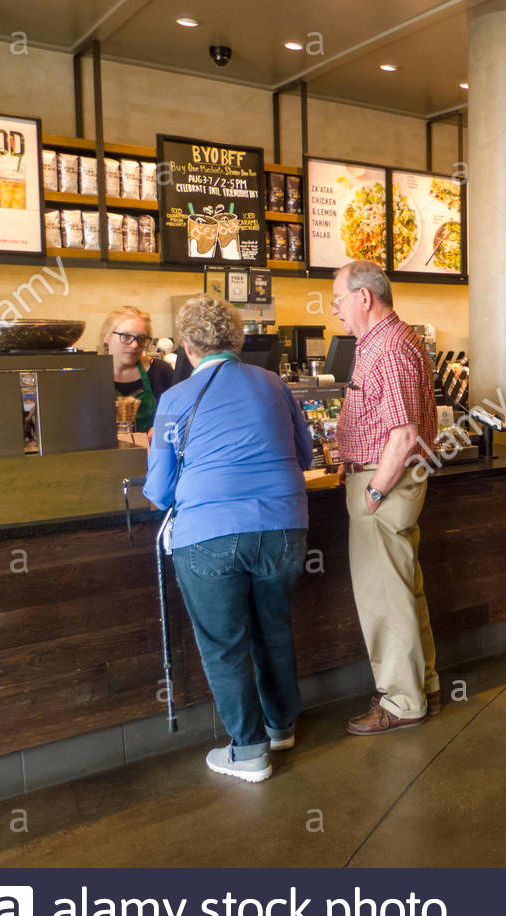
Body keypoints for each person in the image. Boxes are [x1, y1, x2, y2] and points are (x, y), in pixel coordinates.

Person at [144, 296, 313, 783]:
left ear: (187, 346)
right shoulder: (274, 384)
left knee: (224, 643)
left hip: (209, 535)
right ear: (236, 341)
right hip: (283, 527)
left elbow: (159, 492)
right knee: (273, 627)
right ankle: (281, 727)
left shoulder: (176, 399)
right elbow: (305, 456)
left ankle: (249, 751)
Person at [332, 260, 442, 735]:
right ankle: (424, 686)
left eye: (338, 300)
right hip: (386, 478)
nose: (334, 310)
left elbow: (404, 434)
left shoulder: (389, 347)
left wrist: (374, 490)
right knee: (403, 590)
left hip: (385, 484)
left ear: (364, 297)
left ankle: (401, 701)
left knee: (384, 597)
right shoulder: (389, 341)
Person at [98, 305, 173, 432]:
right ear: (107, 336)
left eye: (142, 339)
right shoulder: (90, 375)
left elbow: (176, 420)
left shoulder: (160, 372)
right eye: (126, 336)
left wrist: (162, 431)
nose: (134, 345)